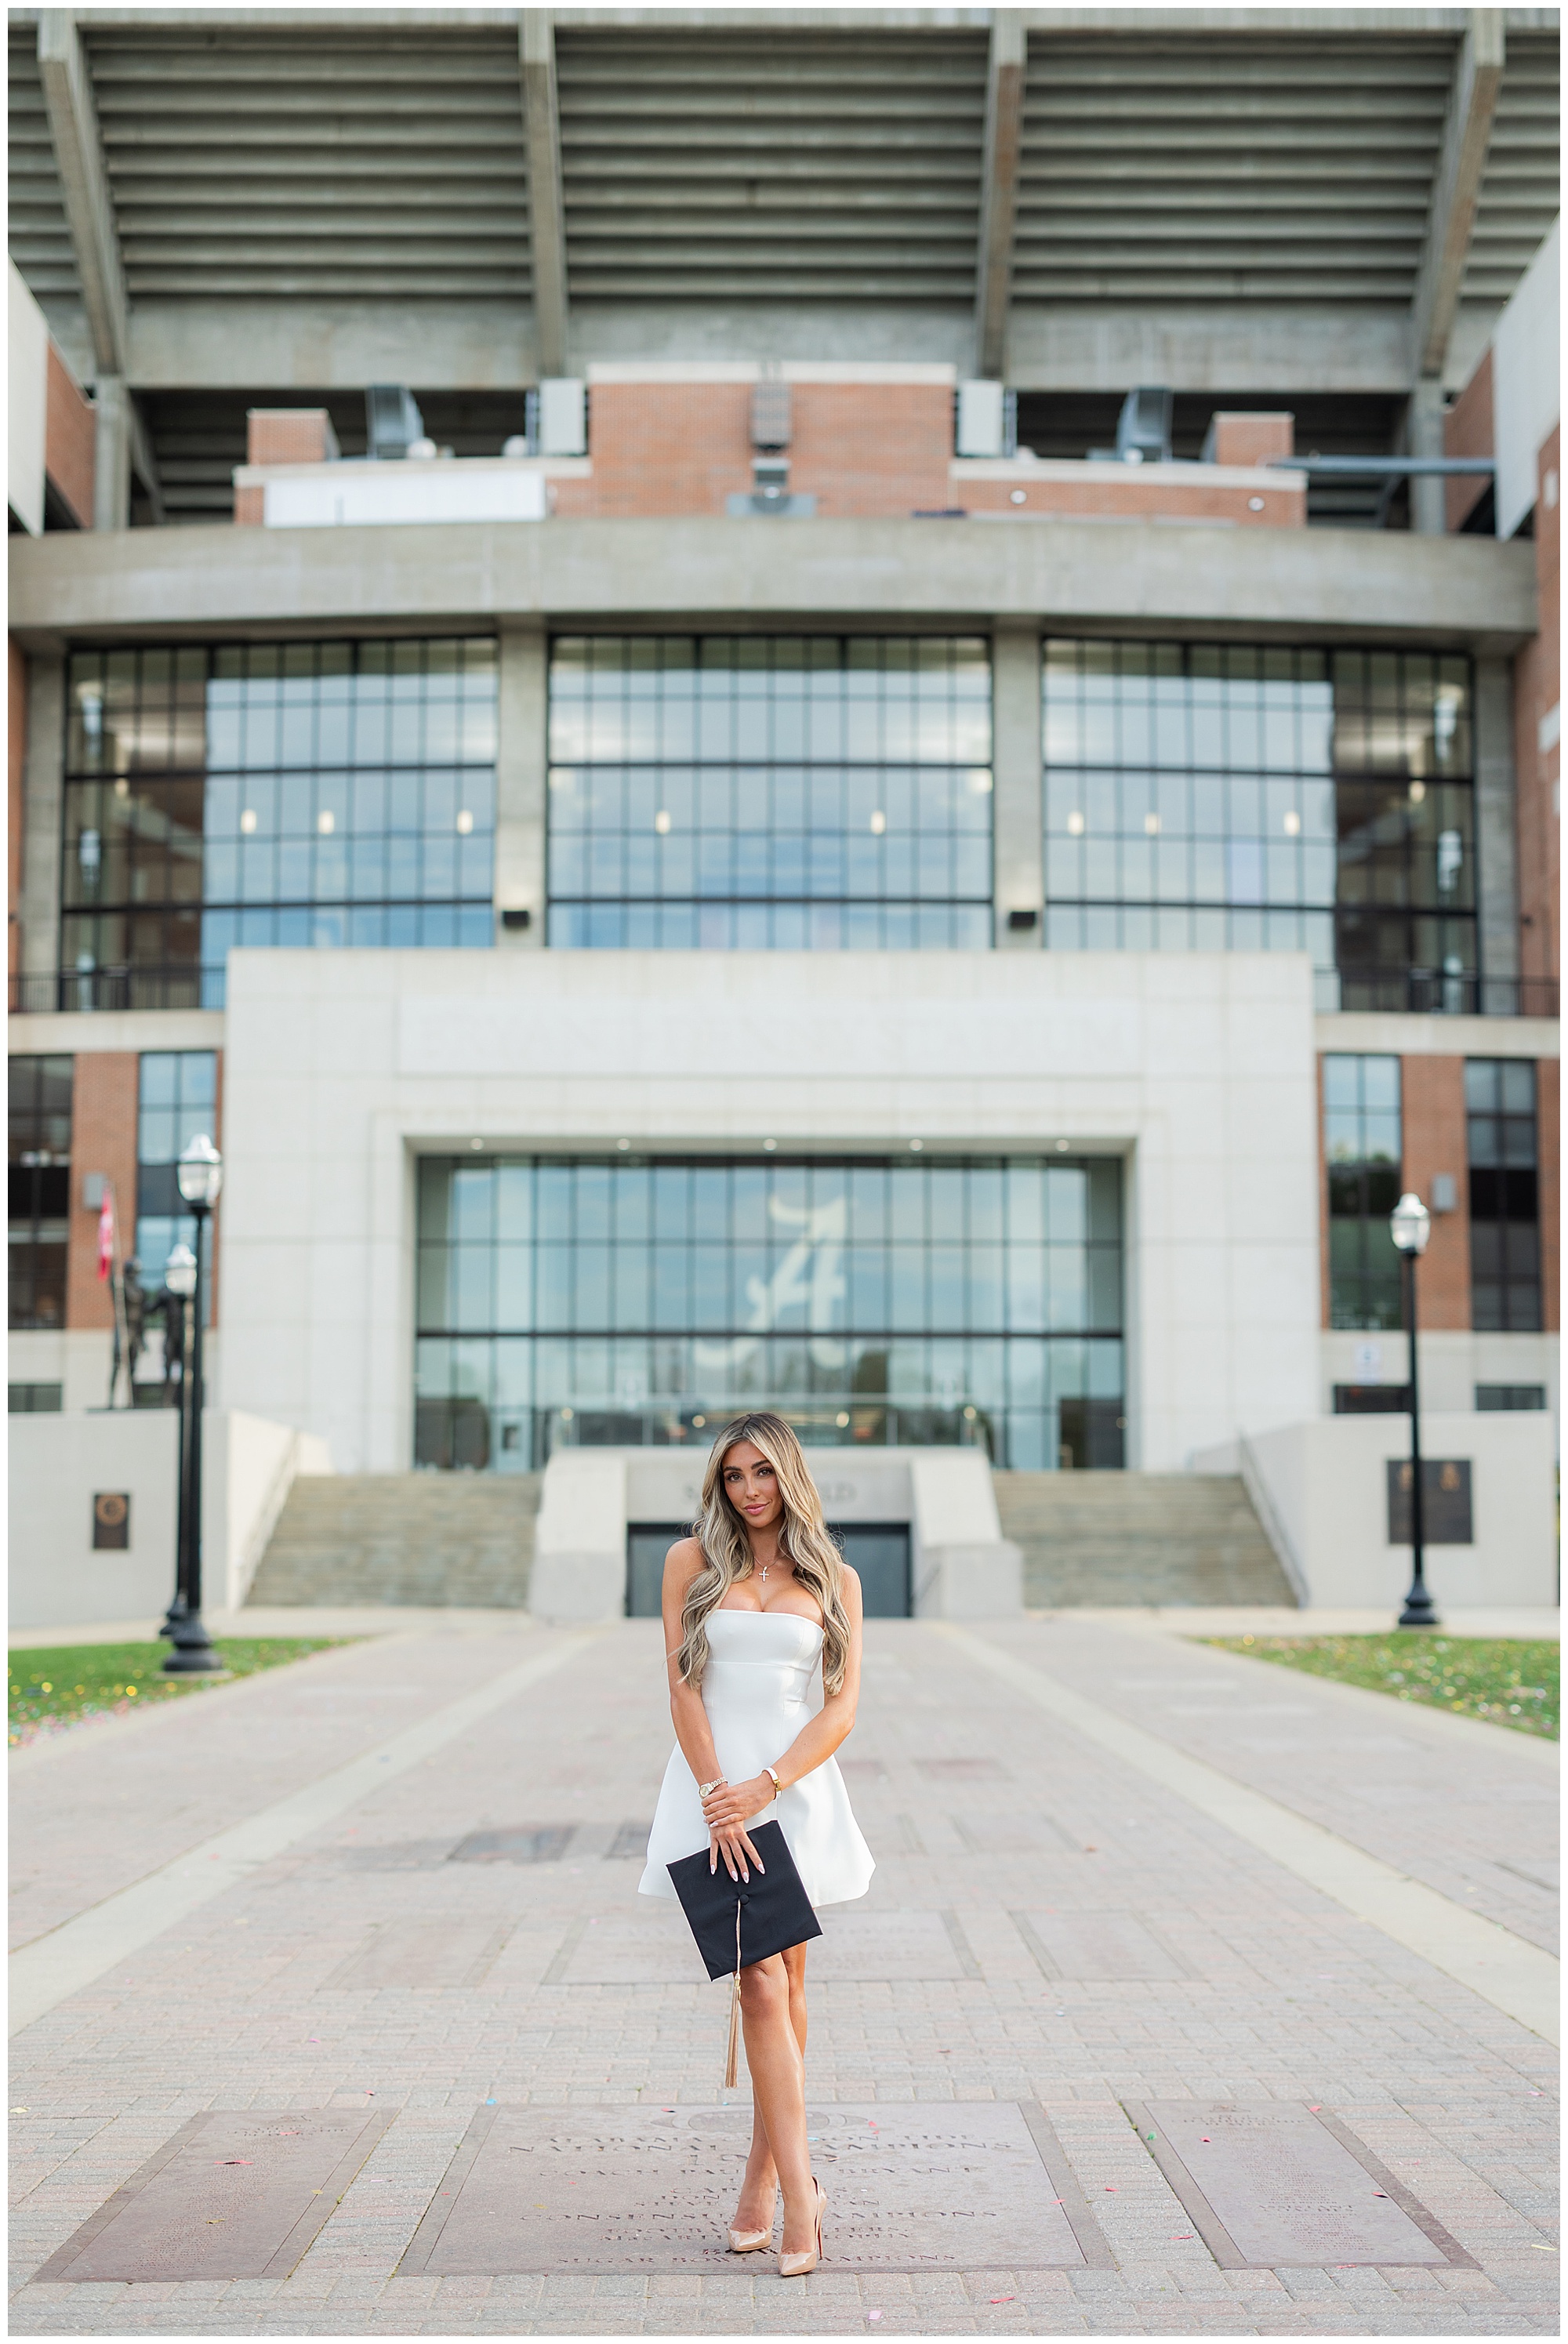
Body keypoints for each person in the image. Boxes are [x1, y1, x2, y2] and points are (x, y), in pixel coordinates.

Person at [640, 1410, 874, 2277]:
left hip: (793, 1790)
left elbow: (841, 1707)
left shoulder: (834, 1575)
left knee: (788, 1984)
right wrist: (718, 1797)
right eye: (733, 1474)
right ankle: (800, 2195)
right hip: (712, 1797)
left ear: (788, 1476)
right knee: (760, 1981)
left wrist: (770, 1784)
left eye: (762, 1473)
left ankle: (762, 2183)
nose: (748, 1489)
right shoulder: (688, 1563)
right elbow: (681, 1688)